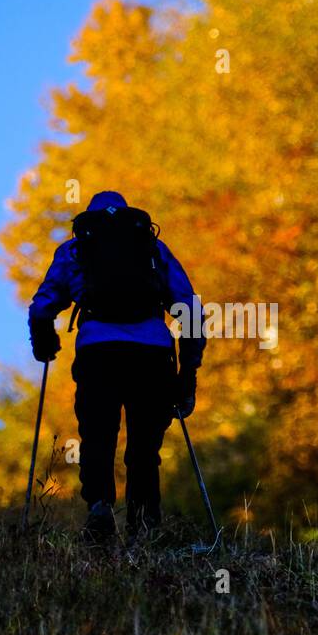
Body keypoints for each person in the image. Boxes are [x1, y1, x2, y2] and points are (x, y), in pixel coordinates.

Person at [27, 191, 205, 543]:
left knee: (97, 434)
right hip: (152, 355)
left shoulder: (75, 249)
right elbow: (190, 309)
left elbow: (41, 308)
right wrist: (188, 373)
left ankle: (100, 507)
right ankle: (144, 526)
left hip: (99, 353)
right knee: (144, 446)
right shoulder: (152, 248)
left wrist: (44, 343)